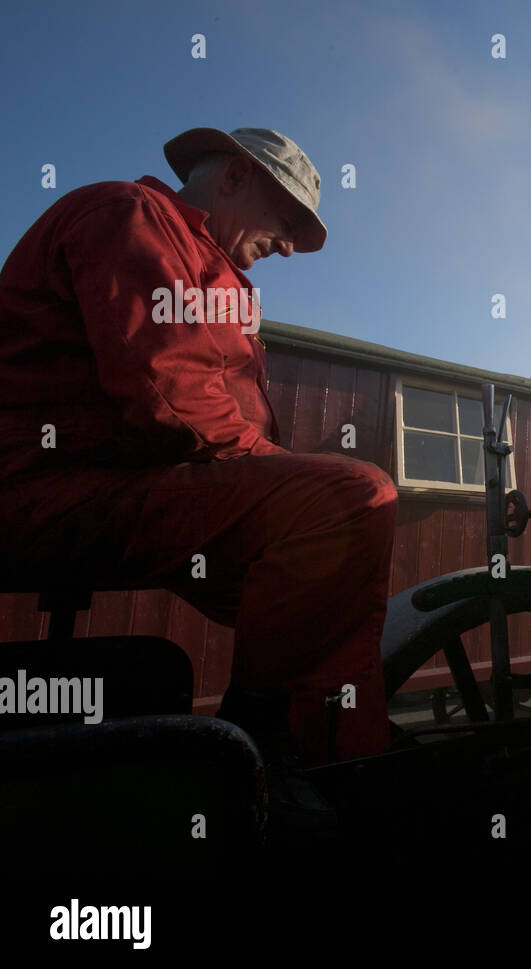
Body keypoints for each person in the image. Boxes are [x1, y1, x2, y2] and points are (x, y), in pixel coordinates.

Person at [0, 127, 397, 774]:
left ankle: (346, 758)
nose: (291, 248)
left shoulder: (217, 274)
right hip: (45, 485)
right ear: (236, 177)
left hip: (117, 486)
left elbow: (221, 419)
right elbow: (169, 390)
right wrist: (293, 487)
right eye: (289, 217)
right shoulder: (128, 213)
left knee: (332, 568)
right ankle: (264, 762)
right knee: (350, 500)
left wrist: (281, 488)